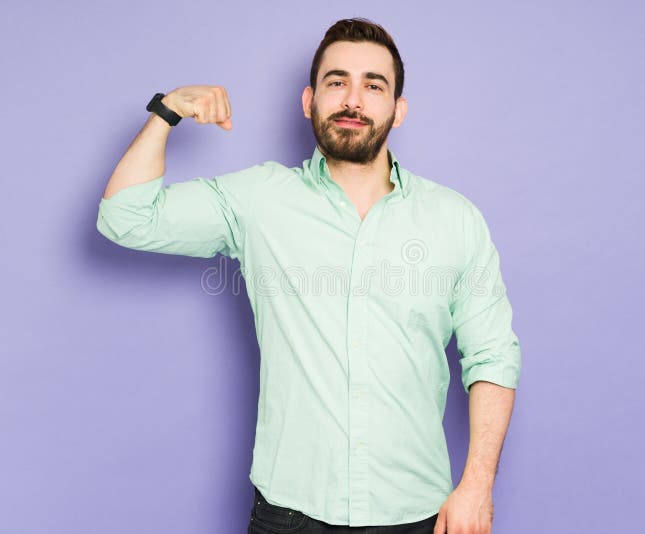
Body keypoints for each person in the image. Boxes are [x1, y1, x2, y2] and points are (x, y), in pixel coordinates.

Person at [96, 17, 521, 534]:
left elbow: (493, 356)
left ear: (398, 109)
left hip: (416, 514)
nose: (353, 100)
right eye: (336, 82)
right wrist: (167, 111)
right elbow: (124, 218)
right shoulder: (259, 200)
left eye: (374, 86)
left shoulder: (455, 219)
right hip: (289, 515)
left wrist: (477, 485)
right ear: (309, 101)